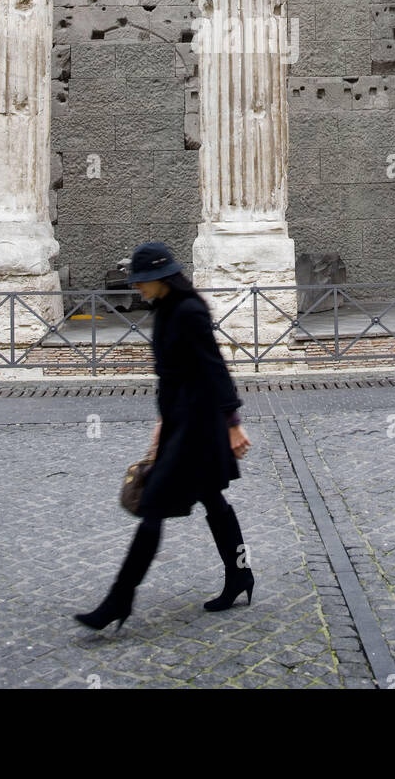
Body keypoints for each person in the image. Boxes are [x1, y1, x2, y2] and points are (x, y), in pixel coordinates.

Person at [74, 241, 253, 632]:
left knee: (152, 509)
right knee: (213, 500)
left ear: (161, 278)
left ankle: (119, 599)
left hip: (199, 427)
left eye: (142, 282)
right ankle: (240, 574)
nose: (137, 288)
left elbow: (214, 367)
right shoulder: (166, 310)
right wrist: (161, 423)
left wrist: (233, 424)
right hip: (180, 423)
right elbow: (171, 378)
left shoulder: (189, 311)